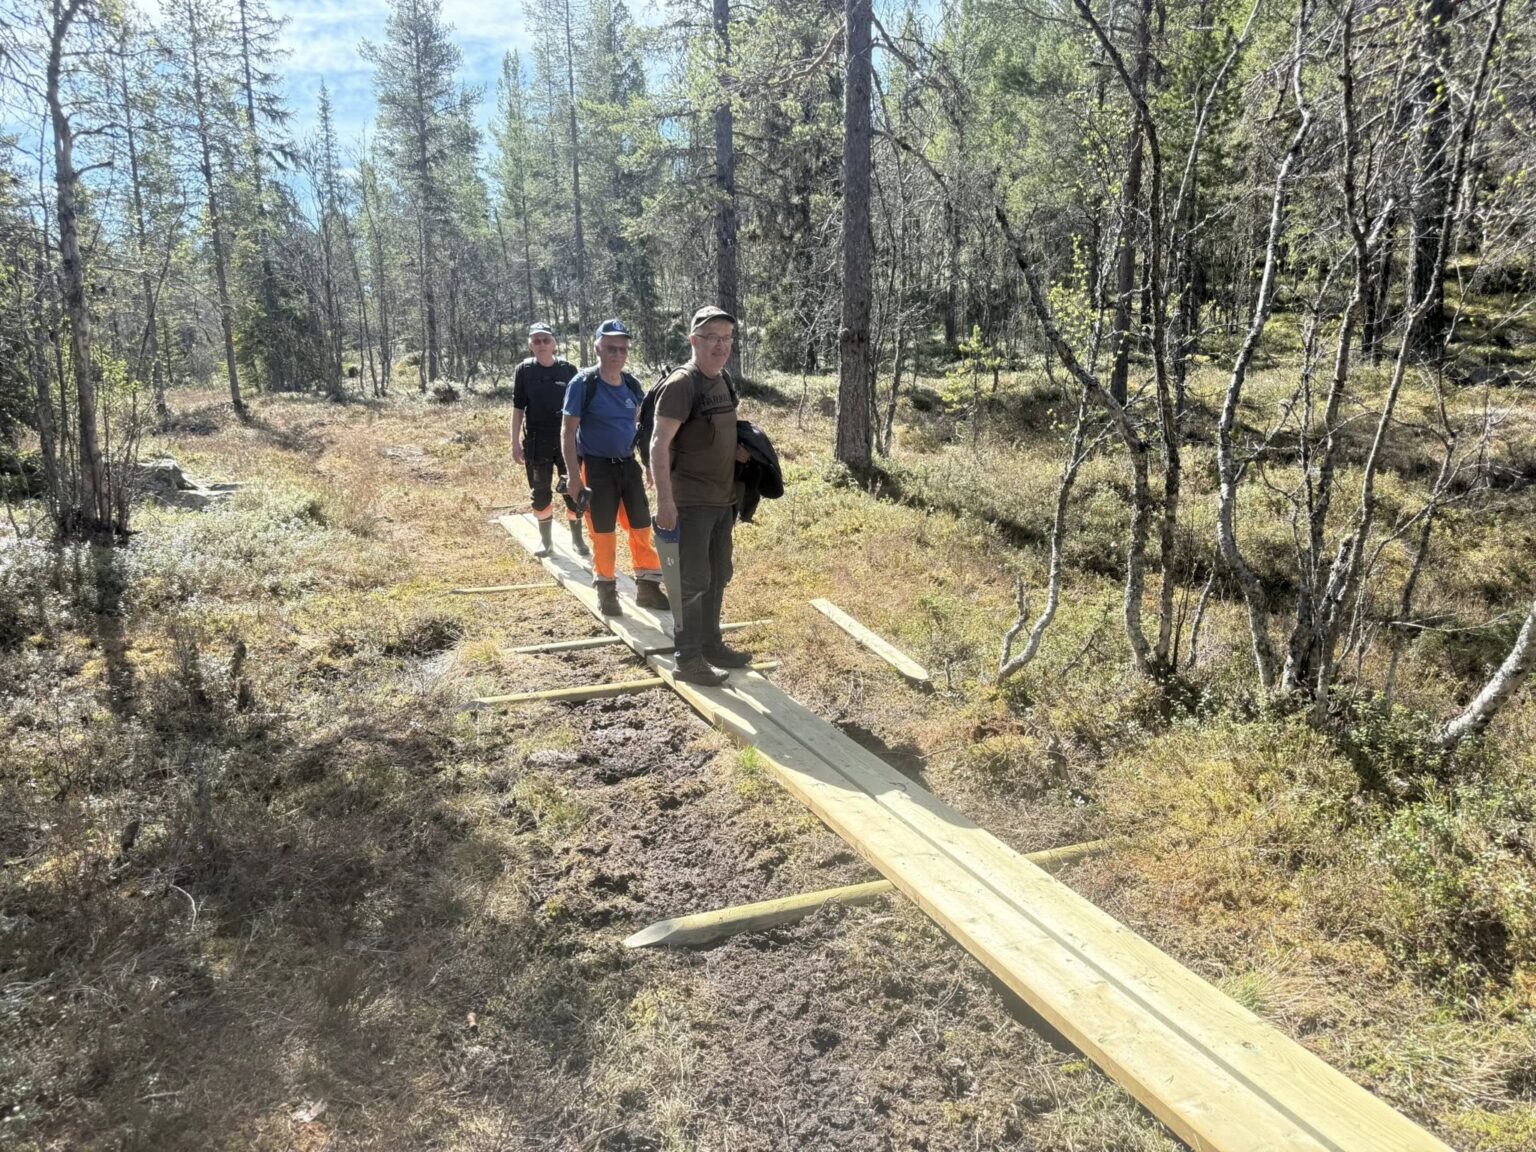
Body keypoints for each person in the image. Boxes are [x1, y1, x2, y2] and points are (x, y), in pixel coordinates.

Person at [649, 305, 753, 686]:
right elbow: (659, 446)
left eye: (726, 338)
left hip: (723, 500)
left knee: (718, 575)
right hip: (690, 503)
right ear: (694, 341)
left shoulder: (723, 380)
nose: (720, 346)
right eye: (712, 338)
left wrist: (741, 454)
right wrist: (665, 503)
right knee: (691, 582)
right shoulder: (682, 384)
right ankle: (687, 658)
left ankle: (711, 644)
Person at [562, 319, 669, 616]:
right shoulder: (584, 383)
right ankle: (606, 588)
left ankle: (647, 588)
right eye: (610, 347)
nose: (617, 353)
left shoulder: (632, 384)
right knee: (603, 531)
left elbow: (640, 427)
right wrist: (573, 475)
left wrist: (647, 464)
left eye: (622, 348)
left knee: (641, 525)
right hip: (596, 468)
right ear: (597, 348)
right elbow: (568, 432)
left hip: (628, 466)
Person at [511, 323, 586, 558]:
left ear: (554, 343)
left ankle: (577, 539)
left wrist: (585, 440)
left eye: (545, 340)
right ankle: (547, 543)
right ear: (530, 345)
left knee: (574, 490)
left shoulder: (568, 369)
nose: (541, 344)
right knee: (540, 492)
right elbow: (517, 408)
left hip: (568, 440)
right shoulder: (524, 371)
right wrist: (514, 442)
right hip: (536, 440)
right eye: (536, 341)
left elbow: (581, 408)